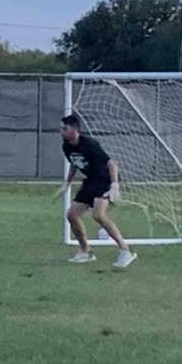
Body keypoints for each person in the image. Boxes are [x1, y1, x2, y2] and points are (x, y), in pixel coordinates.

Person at [60, 113, 136, 268]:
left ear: (74, 130)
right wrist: (67, 183)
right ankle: (85, 252)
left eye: (64, 128)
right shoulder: (66, 145)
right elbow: (75, 162)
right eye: (60, 128)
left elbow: (112, 164)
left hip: (104, 180)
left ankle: (126, 251)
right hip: (90, 181)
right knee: (72, 215)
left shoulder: (90, 144)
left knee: (98, 215)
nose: (60, 131)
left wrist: (114, 186)